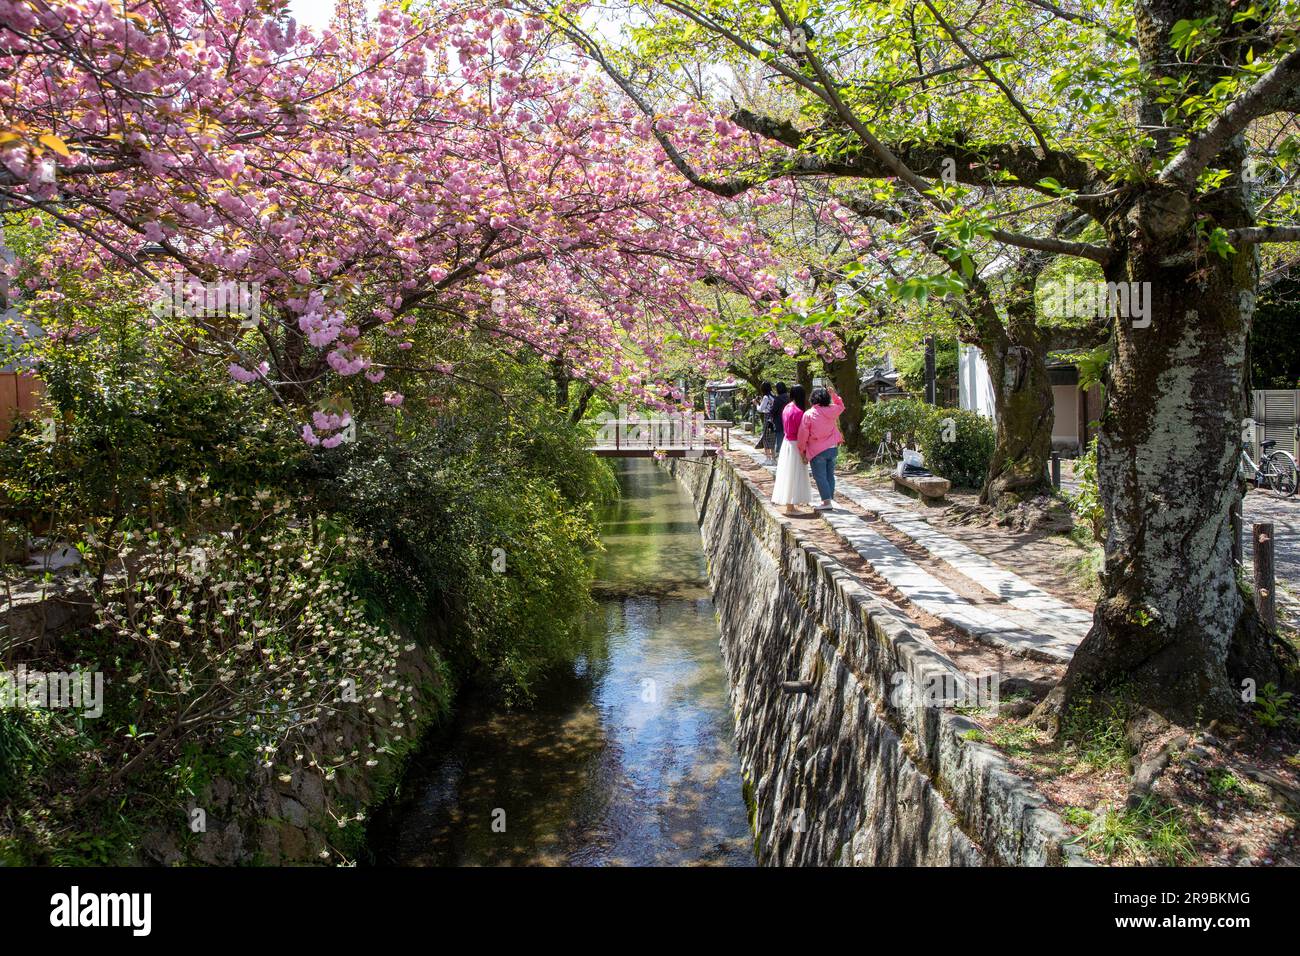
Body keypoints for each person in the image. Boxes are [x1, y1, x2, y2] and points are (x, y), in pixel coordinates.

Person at [797, 385, 845, 510]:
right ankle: (830, 498)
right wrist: (834, 395)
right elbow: (841, 406)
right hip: (832, 448)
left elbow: (803, 434)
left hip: (817, 450)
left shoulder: (809, 414)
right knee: (830, 475)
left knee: (820, 476)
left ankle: (826, 501)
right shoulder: (832, 410)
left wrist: (802, 450)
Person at [771, 384, 812, 514]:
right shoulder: (799, 413)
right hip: (795, 444)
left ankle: (789, 505)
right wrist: (803, 452)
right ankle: (791, 506)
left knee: (787, 473)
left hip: (786, 443)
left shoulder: (787, 408)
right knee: (795, 474)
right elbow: (802, 434)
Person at [770, 382, 791, 457]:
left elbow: (773, 411)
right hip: (789, 421)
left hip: (779, 421)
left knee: (780, 438)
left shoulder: (777, 399)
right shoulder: (789, 397)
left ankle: (780, 455)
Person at [755, 382, 775, 462]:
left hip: (767, 418)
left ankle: (768, 458)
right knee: (772, 437)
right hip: (773, 418)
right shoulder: (773, 396)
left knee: (765, 437)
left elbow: (760, 409)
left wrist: (756, 404)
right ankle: (773, 458)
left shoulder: (766, 397)